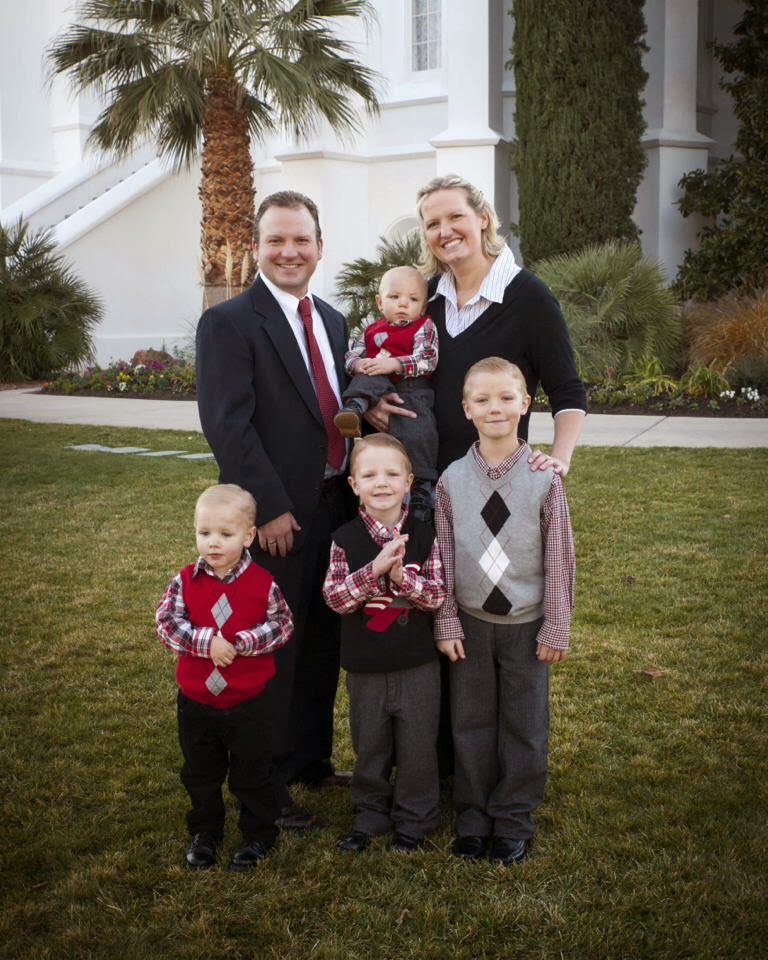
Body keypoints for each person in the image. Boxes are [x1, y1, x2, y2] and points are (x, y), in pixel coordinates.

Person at [195, 190, 354, 830]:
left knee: (321, 642)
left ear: (320, 246)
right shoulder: (229, 323)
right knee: (273, 652)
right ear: (257, 248)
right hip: (277, 519)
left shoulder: (333, 320)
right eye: (277, 240)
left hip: (336, 507)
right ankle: (265, 786)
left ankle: (309, 761)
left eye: (301, 240)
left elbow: (330, 407)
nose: (290, 251)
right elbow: (227, 425)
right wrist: (269, 508)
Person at [434, 358, 575, 865]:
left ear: (525, 404)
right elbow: (442, 555)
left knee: (524, 724)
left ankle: (514, 817)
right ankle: (473, 817)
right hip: (470, 623)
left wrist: (556, 624)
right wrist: (446, 618)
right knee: (470, 724)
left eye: (506, 397)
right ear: (466, 409)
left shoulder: (544, 479)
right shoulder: (452, 480)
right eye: (483, 399)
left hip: (526, 624)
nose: (495, 407)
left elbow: (559, 555)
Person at [367, 173, 587, 477]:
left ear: (483, 218)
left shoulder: (530, 298)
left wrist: (561, 458)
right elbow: (386, 356)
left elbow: (567, 389)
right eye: (433, 224)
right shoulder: (426, 298)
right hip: (421, 480)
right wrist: (373, 402)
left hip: (497, 482)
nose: (445, 231)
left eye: (456, 216)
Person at [155, 484, 293, 871]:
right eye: (204, 533)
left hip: (250, 703)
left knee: (253, 772)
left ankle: (258, 834)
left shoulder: (263, 583)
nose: (213, 542)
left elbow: (282, 625)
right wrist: (207, 643)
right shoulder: (185, 580)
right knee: (201, 772)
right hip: (197, 702)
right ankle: (205, 832)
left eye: (225, 534)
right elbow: (166, 623)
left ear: (249, 536)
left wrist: (244, 642)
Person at [322, 434, 446, 853]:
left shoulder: (424, 535)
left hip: (417, 665)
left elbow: (436, 596)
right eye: (369, 474)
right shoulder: (344, 539)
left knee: (418, 745)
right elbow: (335, 599)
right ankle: (370, 814)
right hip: (366, 667)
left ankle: (415, 818)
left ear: (408, 481)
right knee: (370, 744)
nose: (381, 483)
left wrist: (401, 579)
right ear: (353, 484)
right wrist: (373, 571)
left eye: (392, 474)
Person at [334, 265, 438, 519]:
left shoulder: (424, 326)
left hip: (412, 390)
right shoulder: (371, 330)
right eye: (394, 297)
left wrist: (396, 363)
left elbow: (428, 358)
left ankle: (422, 487)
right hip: (375, 385)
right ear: (380, 302)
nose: (403, 303)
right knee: (366, 375)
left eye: (413, 299)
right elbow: (351, 355)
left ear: (423, 306)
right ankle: (354, 410)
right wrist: (359, 364)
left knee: (421, 432)